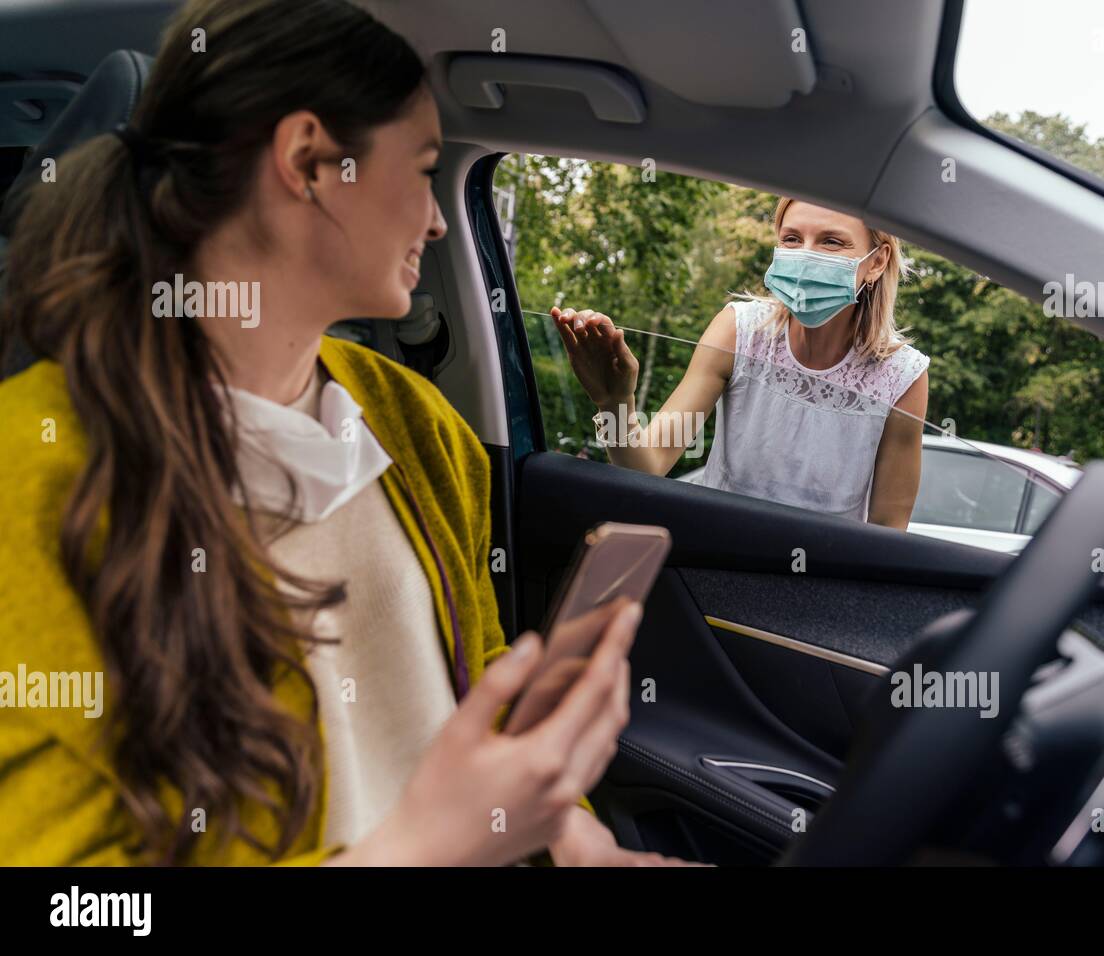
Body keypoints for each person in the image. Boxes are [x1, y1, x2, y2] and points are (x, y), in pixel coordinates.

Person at [0, 0, 676, 867]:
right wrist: (427, 846)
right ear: (312, 163)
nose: (437, 221)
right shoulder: (35, 476)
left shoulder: (418, 423)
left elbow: (477, 664)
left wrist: (580, 840)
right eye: (425, 169)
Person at [552, 197, 930, 527]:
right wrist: (615, 403)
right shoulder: (737, 330)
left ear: (877, 262)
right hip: (720, 558)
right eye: (792, 239)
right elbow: (647, 467)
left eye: (831, 242)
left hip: (825, 581)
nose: (804, 256)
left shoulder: (902, 376)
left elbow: (887, 530)